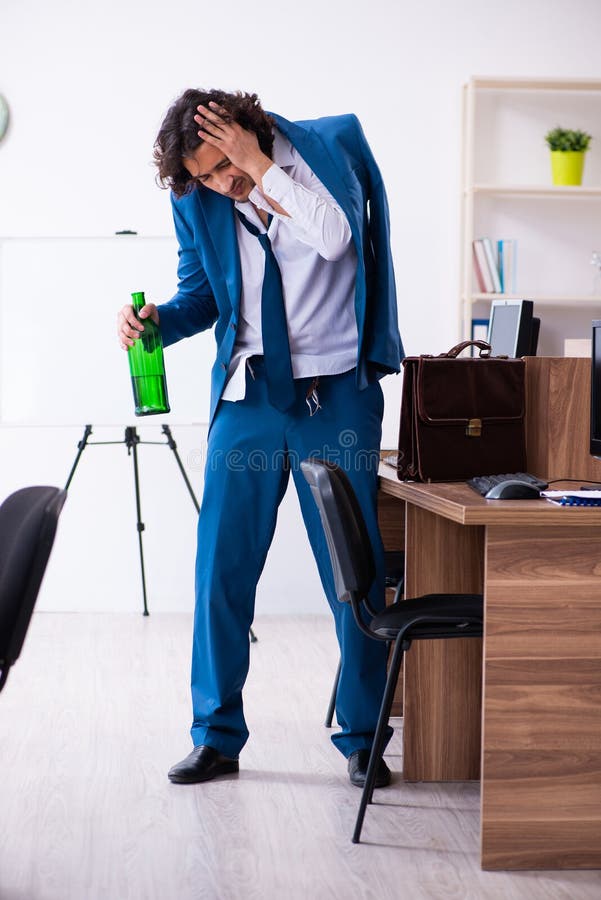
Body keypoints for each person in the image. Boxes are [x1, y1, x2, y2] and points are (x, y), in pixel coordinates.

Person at [117, 88, 404, 787]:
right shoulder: (198, 197)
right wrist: (158, 322)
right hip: (248, 399)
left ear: (248, 131)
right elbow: (202, 296)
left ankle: (364, 737)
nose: (222, 184)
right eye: (206, 176)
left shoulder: (327, 150)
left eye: (223, 165)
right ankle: (215, 734)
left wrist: (258, 166)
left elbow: (336, 238)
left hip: (334, 396)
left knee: (354, 573)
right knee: (221, 567)